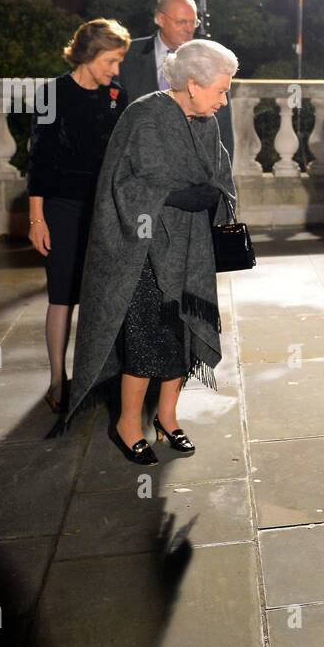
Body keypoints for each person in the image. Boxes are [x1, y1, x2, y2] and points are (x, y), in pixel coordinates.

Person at [65, 39, 238, 466]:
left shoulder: (206, 122)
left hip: (190, 251)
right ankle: (127, 424)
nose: (225, 98)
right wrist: (173, 195)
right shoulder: (143, 114)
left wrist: (212, 197)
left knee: (180, 335)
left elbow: (222, 178)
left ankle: (167, 417)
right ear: (193, 85)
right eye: (220, 89)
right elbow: (120, 185)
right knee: (145, 341)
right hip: (140, 251)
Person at [26, 18, 131, 415]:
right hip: (62, 207)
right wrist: (37, 218)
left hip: (104, 206)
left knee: (102, 294)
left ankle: (97, 375)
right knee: (63, 295)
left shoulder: (117, 95)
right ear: (88, 55)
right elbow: (39, 159)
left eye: (119, 61)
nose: (116, 70)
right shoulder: (52, 93)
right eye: (111, 60)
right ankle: (57, 379)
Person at [117, 0, 236, 154]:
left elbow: (224, 130)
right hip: (138, 160)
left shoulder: (212, 58)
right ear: (160, 19)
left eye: (193, 22)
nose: (189, 29)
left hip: (192, 166)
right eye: (181, 22)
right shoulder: (128, 55)